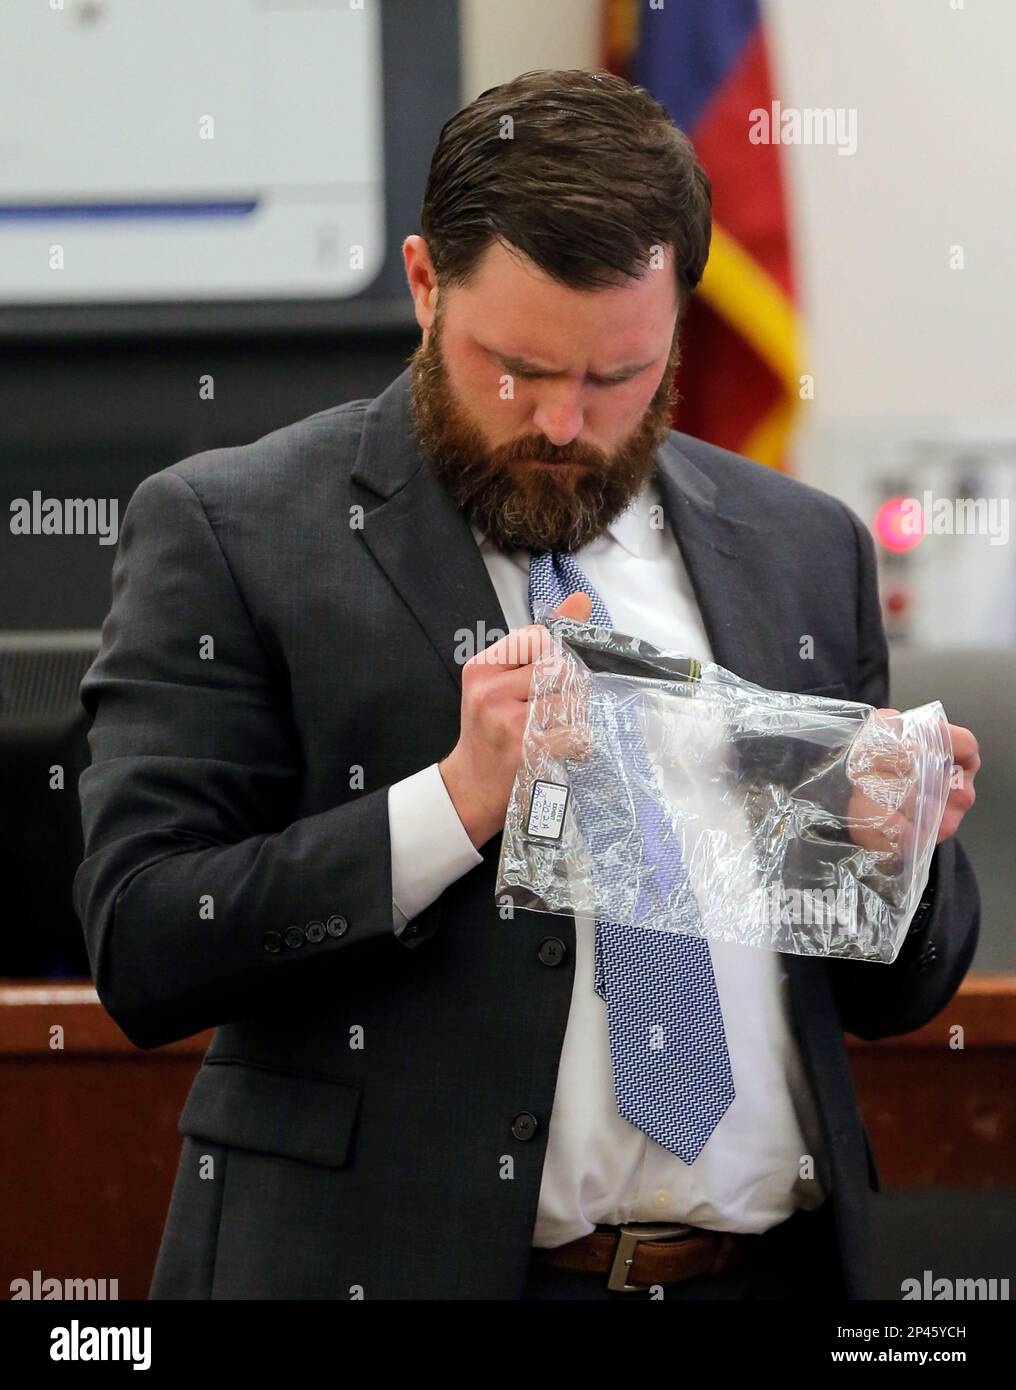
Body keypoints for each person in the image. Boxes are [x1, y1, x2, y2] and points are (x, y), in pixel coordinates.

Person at [74, 69, 980, 1301]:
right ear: (421, 283)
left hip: (766, 1273)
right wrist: (451, 803)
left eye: (618, 378)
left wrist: (892, 855)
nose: (561, 422)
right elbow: (142, 942)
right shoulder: (232, 530)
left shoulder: (799, 547)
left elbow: (893, 1000)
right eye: (516, 369)